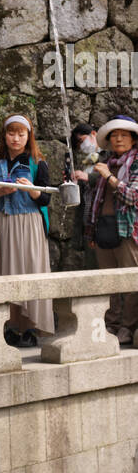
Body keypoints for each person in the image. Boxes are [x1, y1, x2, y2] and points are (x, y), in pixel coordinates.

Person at [0, 113, 54, 346]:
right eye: (11, 133)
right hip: (2, 222)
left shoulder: (37, 162)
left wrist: (32, 190)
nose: (16, 138)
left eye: (21, 134)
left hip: (29, 222)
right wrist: (0, 192)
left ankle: (32, 326)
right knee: (4, 271)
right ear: (4, 136)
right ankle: (10, 325)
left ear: (29, 136)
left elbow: (45, 198)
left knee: (30, 269)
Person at [83, 114, 138, 347]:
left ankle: (128, 326)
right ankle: (111, 325)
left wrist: (110, 177)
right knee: (108, 282)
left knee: (130, 280)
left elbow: (133, 196)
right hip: (103, 228)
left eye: (123, 135)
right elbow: (94, 199)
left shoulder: (134, 163)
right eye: (114, 135)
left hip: (127, 231)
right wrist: (91, 232)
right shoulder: (106, 162)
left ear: (133, 139)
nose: (118, 139)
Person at [69, 122, 100, 267]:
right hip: (88, 219)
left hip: (104, 220)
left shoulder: (109, 155)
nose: (82, 146)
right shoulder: (89, 160)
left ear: (93, 134)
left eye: (82, 141)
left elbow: (112, 179)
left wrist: (88, 178)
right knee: (92, 263)